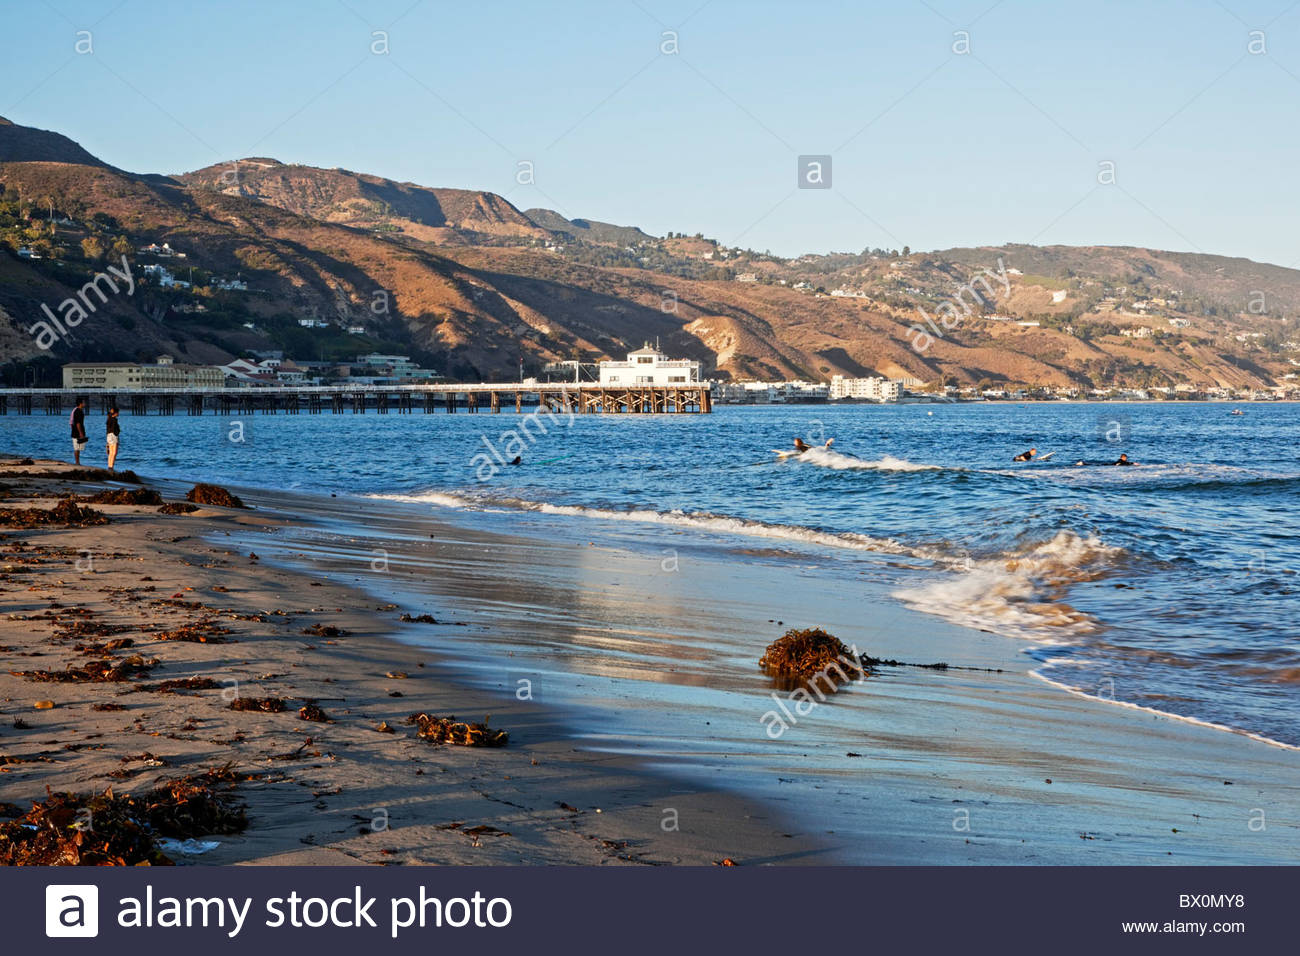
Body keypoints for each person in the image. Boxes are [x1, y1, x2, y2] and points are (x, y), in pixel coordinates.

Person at [70, 398, 88, 465]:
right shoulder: (78, 411)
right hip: (77, 432)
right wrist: (81, 433)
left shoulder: (78, 410)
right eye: (83, 402)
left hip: (76, 431)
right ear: (80, 404)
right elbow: (78, 423)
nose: (85, 403)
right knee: (77, 448)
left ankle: (78, 461)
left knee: (78, 447)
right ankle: (77, 462)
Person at [105, 405, 121, 472]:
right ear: (115, 413)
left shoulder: (109, 419)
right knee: (114, 453)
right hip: (113, 436)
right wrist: (117, 435)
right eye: (118, 412)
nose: (119, 413)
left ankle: (109, 466)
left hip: (108, 436)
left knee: (111, 452)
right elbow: (115, 430)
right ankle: (111, 467)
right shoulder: (114, 420)